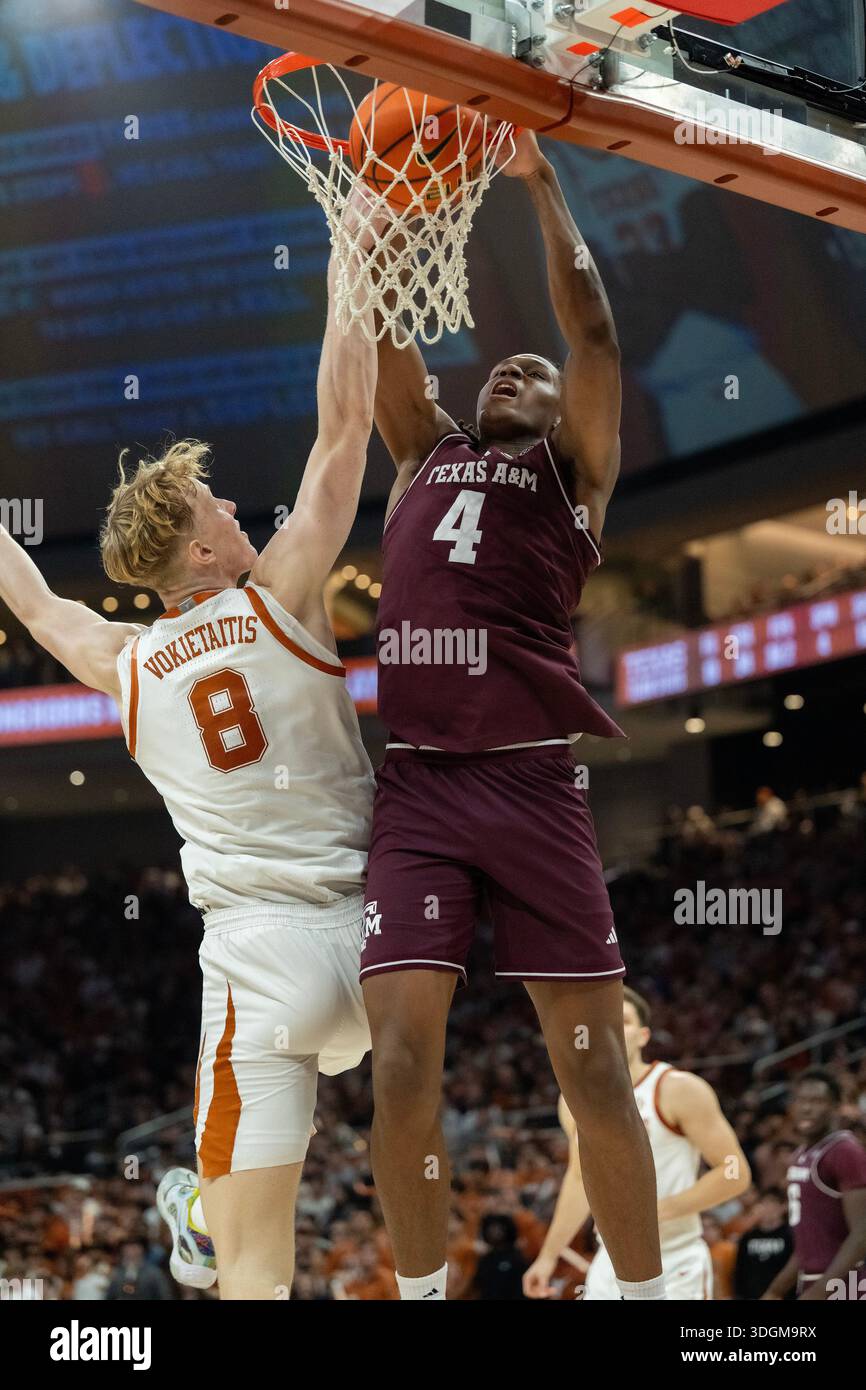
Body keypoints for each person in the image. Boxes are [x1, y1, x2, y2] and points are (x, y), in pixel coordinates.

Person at [0, 235, 379, 1300]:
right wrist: (354, 248)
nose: (236, 513)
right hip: (384, 937)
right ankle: (200, 1206)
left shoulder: (125, 664)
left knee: (254, 1277)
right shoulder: (287, 593)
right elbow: (344, 422)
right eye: (218, 510)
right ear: (203, 554)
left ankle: (202, 1213)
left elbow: (29, 597)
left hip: (259, 965)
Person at [361, 126, 665, 1301]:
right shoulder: (419, 450)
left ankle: (645, 1301)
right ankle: (428, 1294)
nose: (509, 370)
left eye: (526, 373)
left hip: (533, 784)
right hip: (422, 788)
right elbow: (386, 335)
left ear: (560, 410)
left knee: (591, 1070)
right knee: (395, 1065)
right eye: (495, 366)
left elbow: (589, 329)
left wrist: (539, 188)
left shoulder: (573, 476)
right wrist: (386, 216)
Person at [523, 988, 750, 1300]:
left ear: (643, 1036)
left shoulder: (677, 1089)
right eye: (605, 1020)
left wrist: (653, 1212)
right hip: (609, 1263)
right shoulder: (574, 1100)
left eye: (624, 1021)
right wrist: (549, 1255)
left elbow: (734, 1172)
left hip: (674, 1258)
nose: (613, 1028)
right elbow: (579, 1181)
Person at [763, 1070, 866, 1300]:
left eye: (817, 1101)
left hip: (849, 1287)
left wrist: (817, 1294)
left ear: (837, 1106)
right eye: (801, 1100)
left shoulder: (845, 1151)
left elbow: (862, 1235)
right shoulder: (802, 1154)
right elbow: (807, 1243)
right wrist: (775, 1291)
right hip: (814, 1283)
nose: (806, 1108)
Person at [733, 1189, 793, 1301]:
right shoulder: (748, 1237)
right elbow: (740, 1269)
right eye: (764, 1204)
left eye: (772, 1204)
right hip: (752, 1295)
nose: (768, 1209)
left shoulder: (790, 1236)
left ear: (783, 1207)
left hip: (782, 1295)